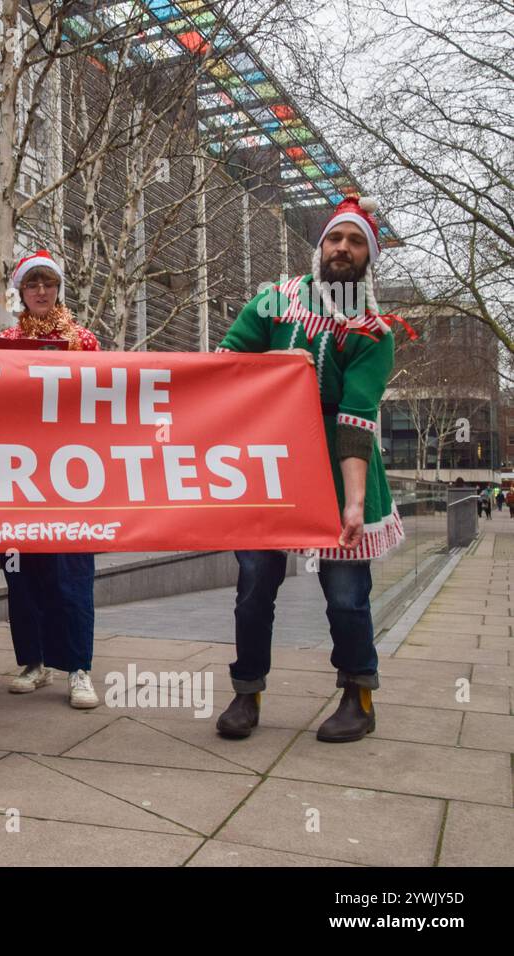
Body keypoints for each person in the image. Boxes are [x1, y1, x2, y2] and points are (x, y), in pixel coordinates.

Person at [214, 195, 409, 744]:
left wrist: (351, 502)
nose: (342, 248)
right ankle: (246, 691)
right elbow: (229, 362)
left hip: (341, 465)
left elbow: (357, 415)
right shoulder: (274, 301)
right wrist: (281, 364)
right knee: (254, 583)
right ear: (320, 245)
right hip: (270, 464)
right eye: (334, 238)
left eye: (354, 242)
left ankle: (358, 695)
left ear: (368, 256)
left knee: (345, 591)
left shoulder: (374, 330)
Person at [0, 250, 102, 709]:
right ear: (21, 290)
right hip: (15, 475)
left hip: (70, 474)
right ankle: (34, 663)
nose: (41, 291)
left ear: (58, 288)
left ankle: (79, 668)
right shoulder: (3, 340)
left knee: (71, 573)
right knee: (22, 575)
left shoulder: (84, 341)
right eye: (33, 284)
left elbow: (102, 398)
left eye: (48, 283)